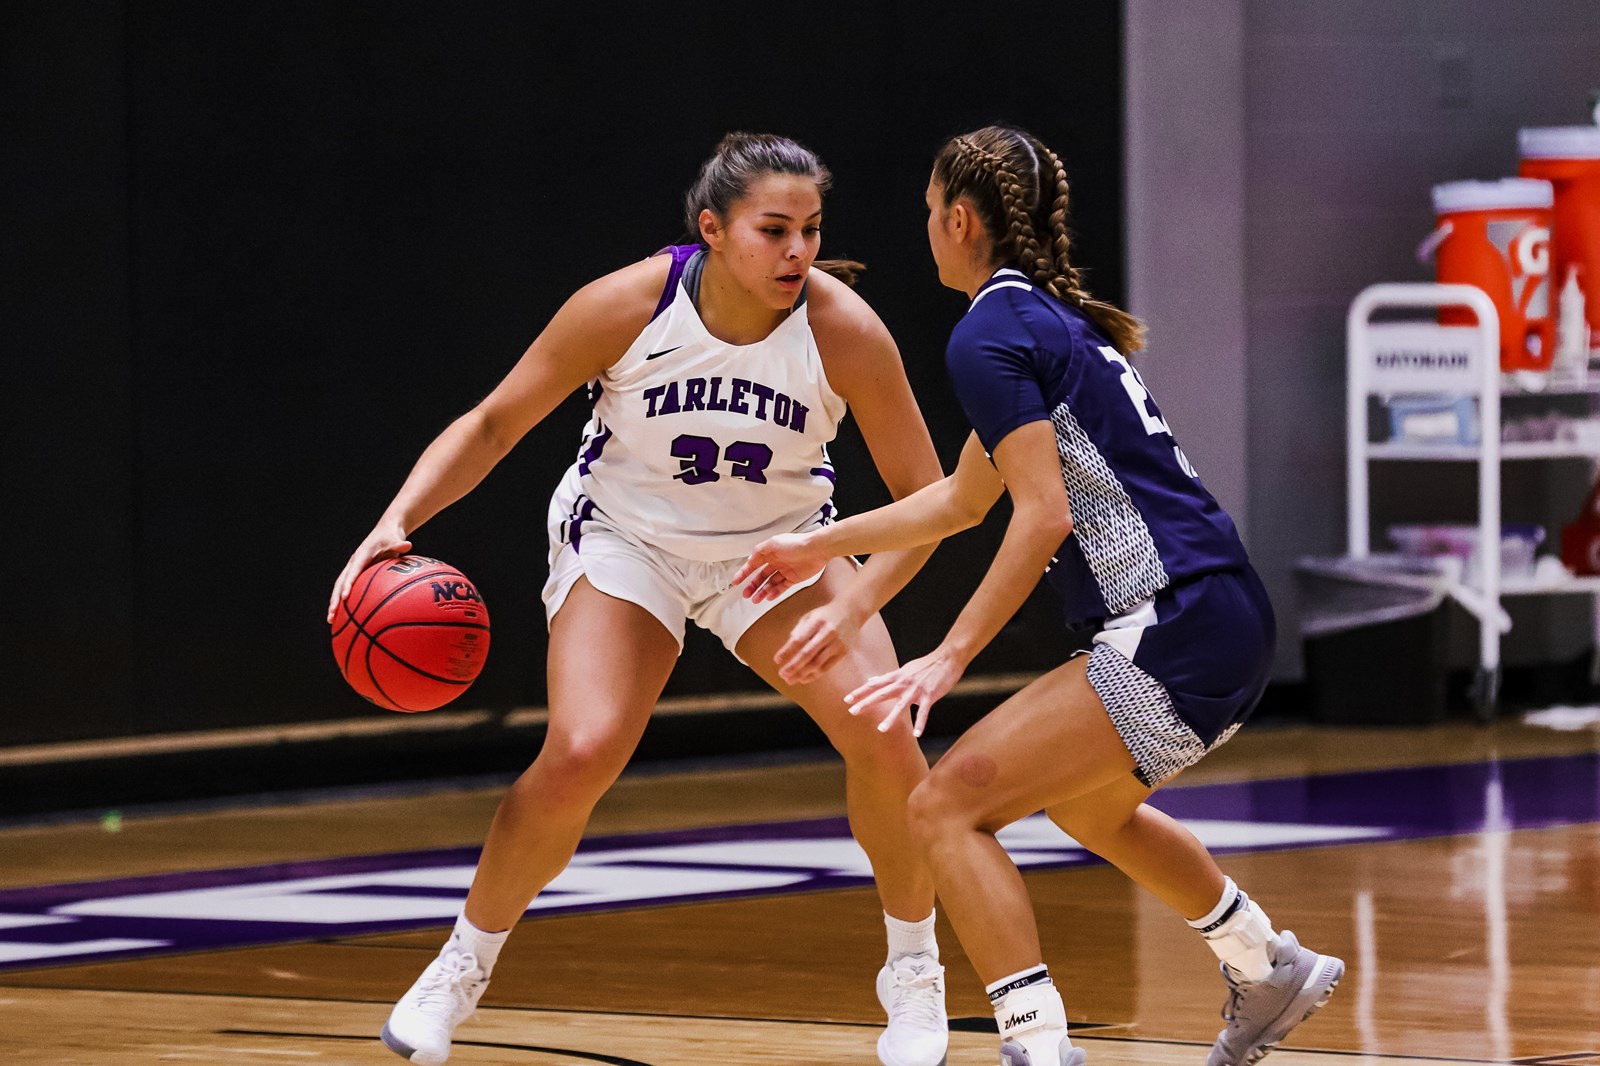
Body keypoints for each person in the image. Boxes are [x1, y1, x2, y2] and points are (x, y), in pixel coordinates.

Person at [328, 132, 952, 1066]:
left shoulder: (845, 330)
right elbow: (497, 421)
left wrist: (853, 605)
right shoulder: (629, 304)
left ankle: (913, 975)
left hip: (776, 553)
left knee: (885, 734)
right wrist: (395, 519)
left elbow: (928, 502)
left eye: (811, 231)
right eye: (773, 230)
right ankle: (461, 964)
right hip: (630, 539)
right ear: (713, 228)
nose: (797, 253)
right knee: (581, 750)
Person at [735, 125, 1344, 1066]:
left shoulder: (989, 332)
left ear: (962, 219)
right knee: (1088, 809)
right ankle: (1262, 963)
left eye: (931, 213)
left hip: (1172, 622)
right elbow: (962, 499)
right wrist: (818, 547)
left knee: (941, 808)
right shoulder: (1048, 323)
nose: (926, 229)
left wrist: (951, 654)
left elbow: (1042, 514)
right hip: (1223, 618)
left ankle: (1035, 1042)